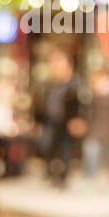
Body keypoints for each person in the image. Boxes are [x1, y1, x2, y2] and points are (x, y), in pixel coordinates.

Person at [37, 49, 85, 188]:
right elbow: (43, 103)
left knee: (65, 149)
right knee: (47, 145)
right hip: (50, 120)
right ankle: (52, 174)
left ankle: (62, 178)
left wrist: (78, 119)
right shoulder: (50, 84)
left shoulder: (74, 84)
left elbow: (81, 104)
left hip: (67, 122)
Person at [81, 67, 109, 185]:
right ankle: (90, 180)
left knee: (107, 159)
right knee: (90, 154)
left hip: (108, 132)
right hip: (93, 131)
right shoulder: (92, 94)